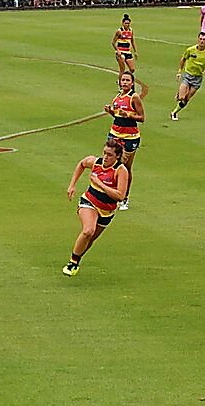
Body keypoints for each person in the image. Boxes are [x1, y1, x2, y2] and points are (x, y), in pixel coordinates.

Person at [62, 139, 130, 277]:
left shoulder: (120, 171)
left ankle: (77, 259)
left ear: (117, 156)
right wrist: (72, 185)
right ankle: (72, 263)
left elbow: (120, 196)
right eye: (104, 153)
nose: (105, 157)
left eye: (109, 155)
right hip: (89, 202)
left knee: (91, 238)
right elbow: (81, 164)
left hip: (107, 211)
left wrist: (100, 184)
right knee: (88, 230)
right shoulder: (95, 162)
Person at [104, 71, 145, 210]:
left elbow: (142, 117)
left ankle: (124, 197)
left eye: (128, 80)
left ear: (132, 83)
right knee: (110, 164)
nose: (125, 82)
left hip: (130, 137)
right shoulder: (117, 97)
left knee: (125, 167)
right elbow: (117, 115)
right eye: (123, 80)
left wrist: (128, 115)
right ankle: (112, 193)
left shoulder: (134, 97)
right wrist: (110, 111)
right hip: (115, 134)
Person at [171, 32, 205, 121]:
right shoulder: (190, 50)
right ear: (197, 39)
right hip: (188, 75)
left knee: (186, 99)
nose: (202, 41)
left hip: (198, 78)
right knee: (181, 97)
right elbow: (183, 59)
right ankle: (179, 95)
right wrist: (179, 71)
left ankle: (174, 112)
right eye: (200, 39)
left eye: (204, 39)